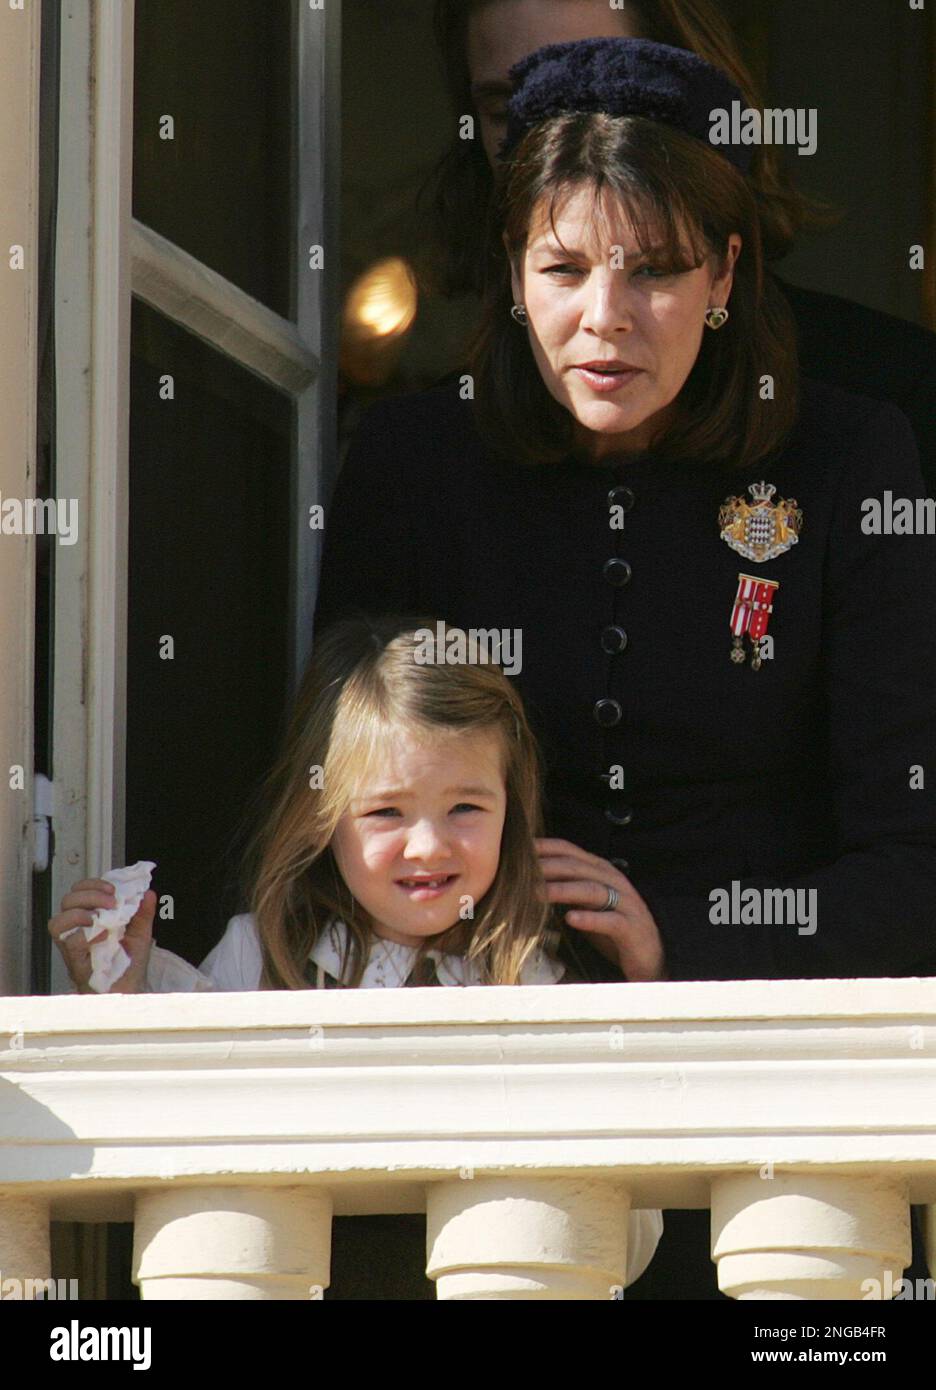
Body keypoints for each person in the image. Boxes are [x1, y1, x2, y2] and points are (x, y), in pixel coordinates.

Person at [314, 37, 936, 1296]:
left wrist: (681, 942)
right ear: (512, 271)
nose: (604, 318)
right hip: (473, 1095)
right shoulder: (413, 463)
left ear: (726, 274)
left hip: (774, 1102)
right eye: (563, 269)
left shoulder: (850, 460)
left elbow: (915, 857)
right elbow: (335, 810)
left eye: (654, 271)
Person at [49, 614, 665, 1298]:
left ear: (511, 810)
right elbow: (172, 1148)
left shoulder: (537, 977)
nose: (428, 846)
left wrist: (646, 985)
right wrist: (120, 992)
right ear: (322, 817)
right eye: (385, 813)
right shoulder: (262, 958)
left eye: (466, 807)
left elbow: (624, 1242)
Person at [420, 0, 936, 488]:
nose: (572, 140)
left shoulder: (880, 407)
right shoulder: (425, 455)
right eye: (513, 109)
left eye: (602, 87)